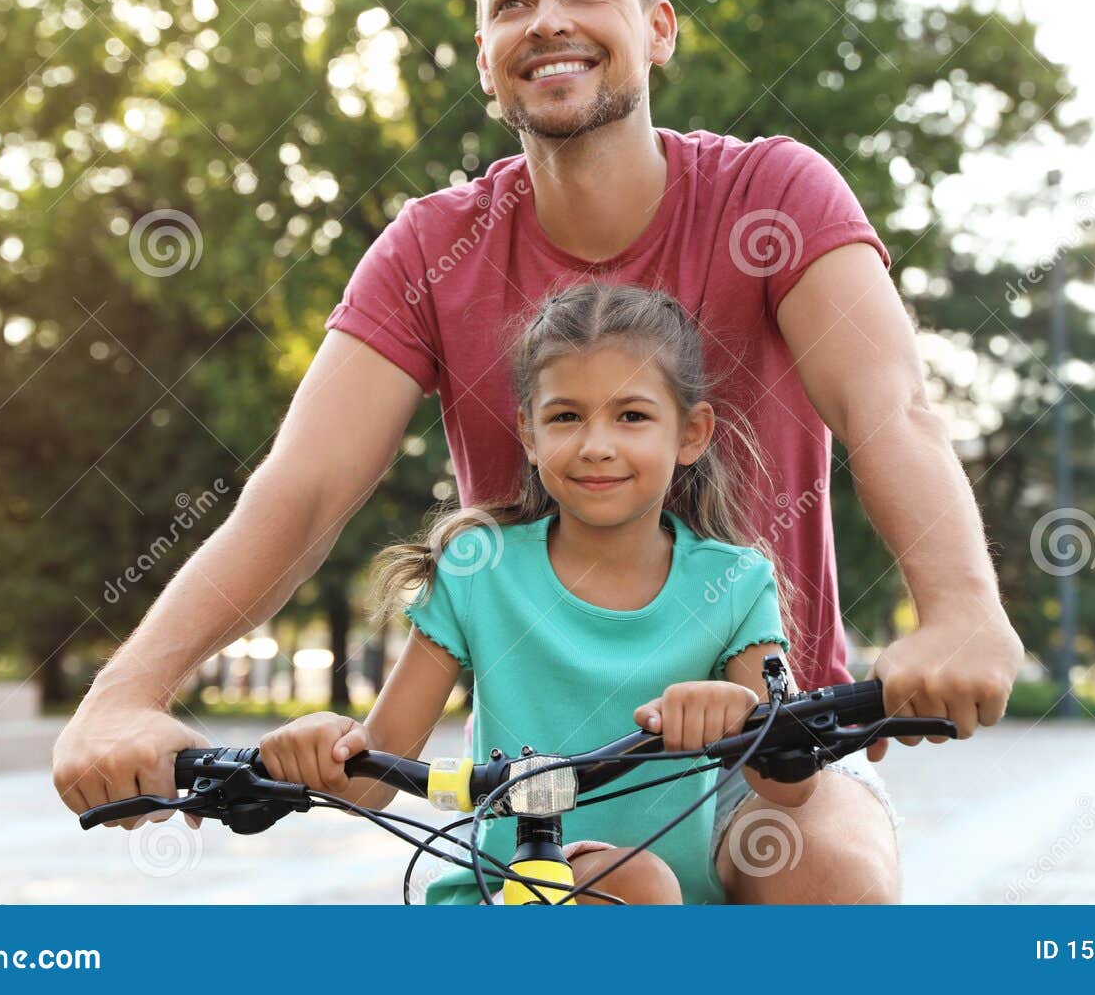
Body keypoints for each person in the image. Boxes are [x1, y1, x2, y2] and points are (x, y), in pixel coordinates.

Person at [53, 0, 1023, 904]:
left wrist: (959, 607)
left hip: (763, 761)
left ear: (656, 29)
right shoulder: (432, 249)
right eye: (511, 2)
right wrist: (129, 691)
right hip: (545, 782)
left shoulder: (774, 194)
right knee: (590, 897)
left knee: (828, 879)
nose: (547, 19)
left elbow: (892, 411)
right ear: (485, 60)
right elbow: (300, 488)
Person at [260, 281, 837, 904]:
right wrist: (324, 748)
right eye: (565, 417)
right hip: (501, 898)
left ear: (692, 434)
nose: (595, 445)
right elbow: (375, 778)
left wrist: (737, 712)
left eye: (632, 416)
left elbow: (791, 787)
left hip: (660, 907)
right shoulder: (480, 571)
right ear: (530, 436)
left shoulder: (735, 582)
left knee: (641, 883)